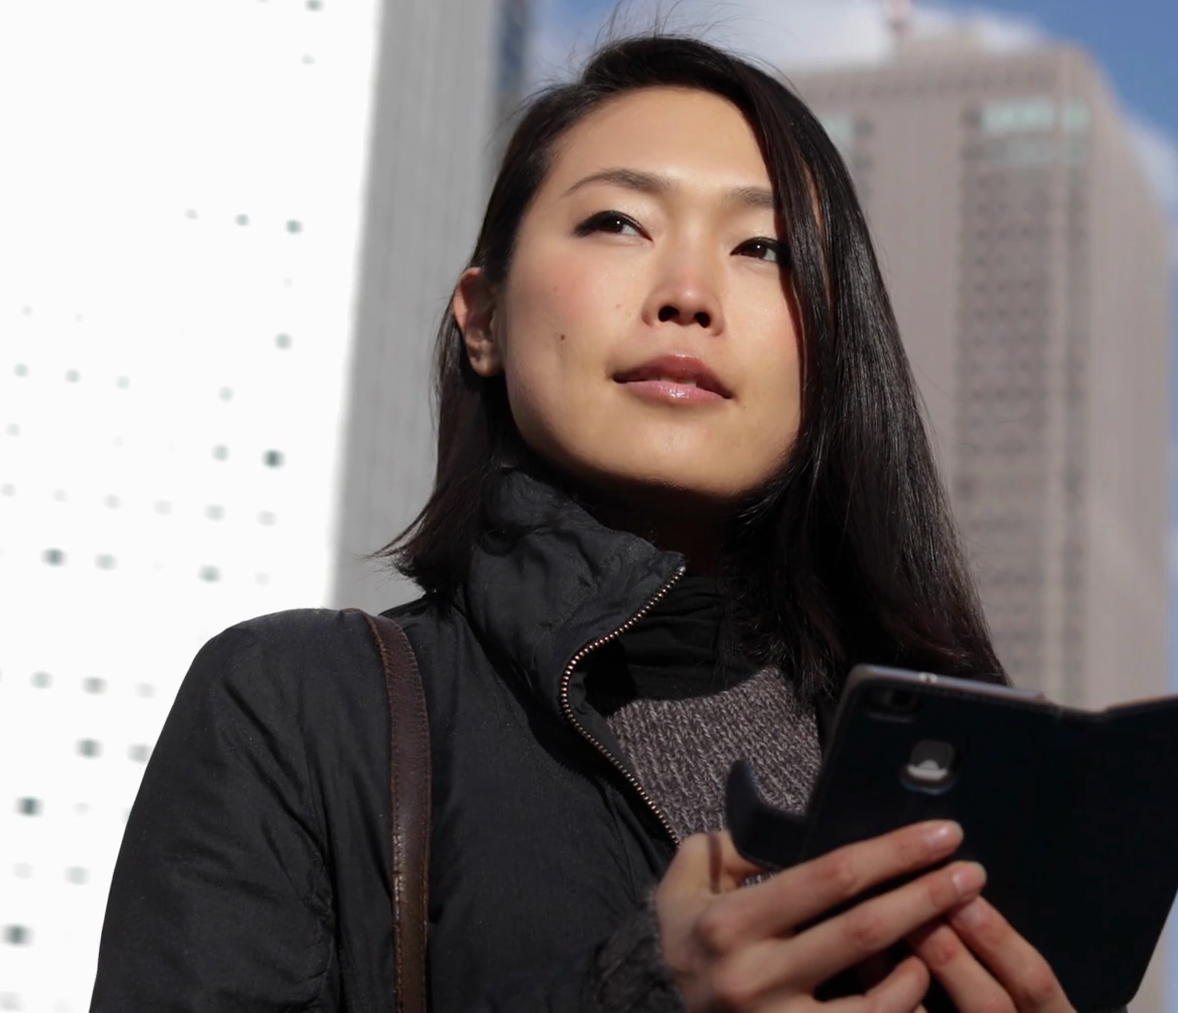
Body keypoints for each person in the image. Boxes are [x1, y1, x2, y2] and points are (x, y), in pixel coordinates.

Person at [90, 33, 1079, 1013]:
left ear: (831, 348)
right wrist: (648, 993)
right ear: (481, 317)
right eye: (618, 222)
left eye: (762, 248)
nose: (687, 296)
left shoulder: (966, 768)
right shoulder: (297, 702)